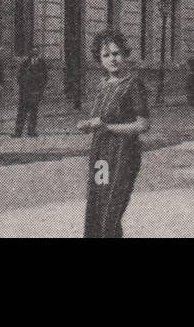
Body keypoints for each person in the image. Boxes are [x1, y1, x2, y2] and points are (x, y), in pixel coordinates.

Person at [78, 31, 151, 238]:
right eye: (106, 55)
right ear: (99, 59)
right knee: (97, 208)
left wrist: (108, 128)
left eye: (116, 53)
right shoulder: (103, 84)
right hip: (100, 154)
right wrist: (89, 124)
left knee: (111, 212)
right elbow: (100, 118)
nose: (112, 59)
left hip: (124, 154)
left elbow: (143, 125)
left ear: (125, 54)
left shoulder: (133, 84)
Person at [13, 50, 48, 138]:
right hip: (25, 93)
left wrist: (40, 89)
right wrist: (23, 85)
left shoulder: (41, 64)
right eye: (33, 56)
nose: (35, 58)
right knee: (21, 113)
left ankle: (31, 131)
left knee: (33, 112)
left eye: (36, 56)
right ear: (30, 56)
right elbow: (19, 76)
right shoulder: (25, 64)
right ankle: (18, 132)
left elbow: (45, 77)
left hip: (35, 92)